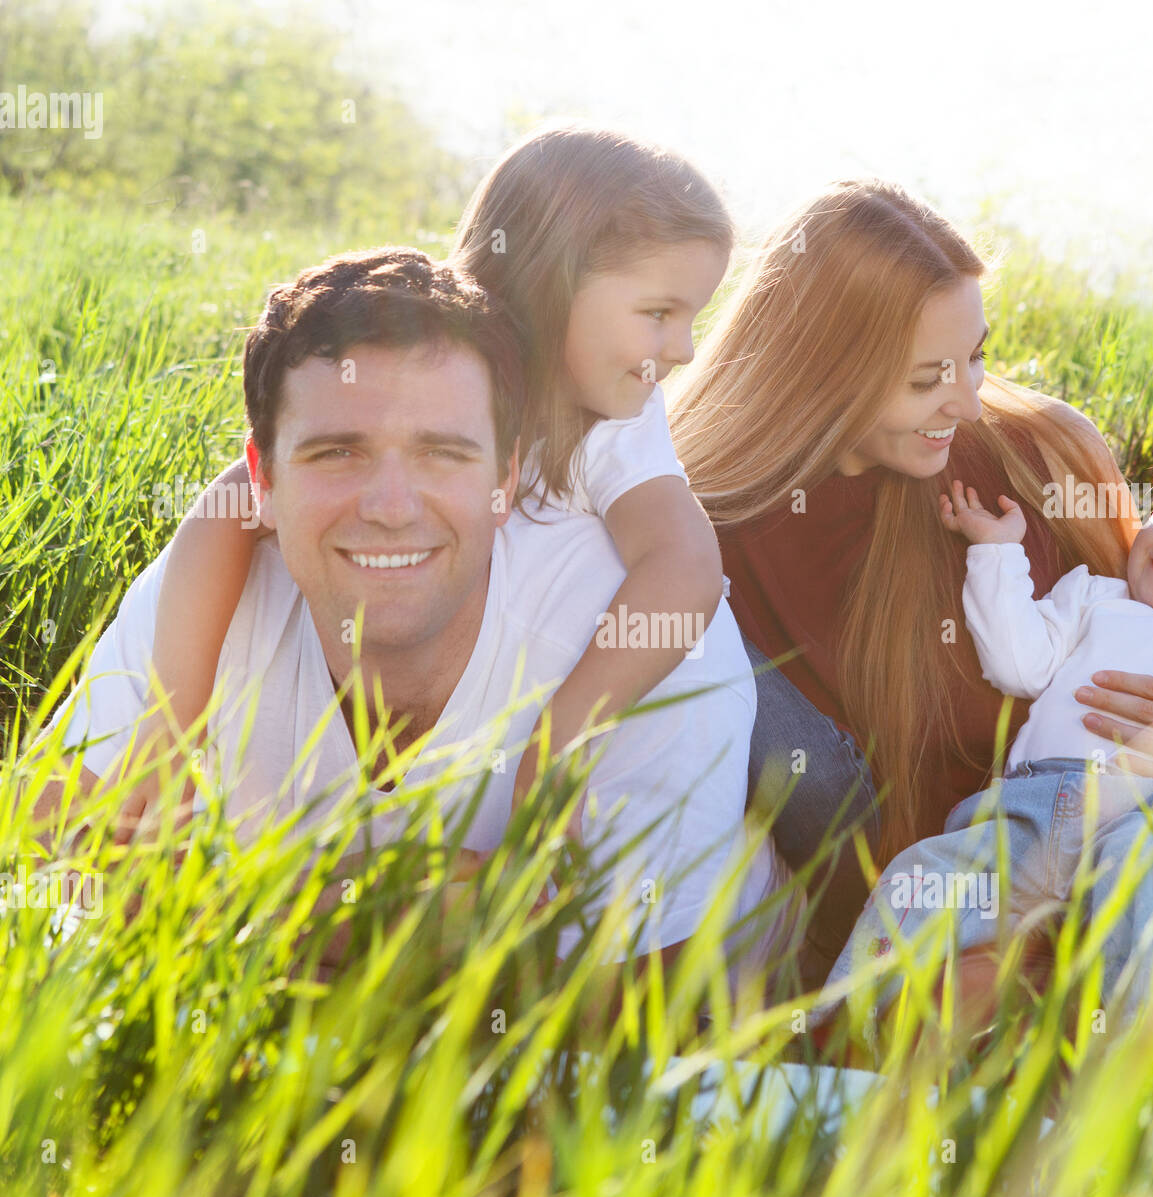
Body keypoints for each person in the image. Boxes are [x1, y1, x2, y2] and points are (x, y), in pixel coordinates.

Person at [35, 247, 781, 967]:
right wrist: (339, 912)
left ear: (507, 475)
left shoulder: (653, 642)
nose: (391, 507)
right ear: (260, 479)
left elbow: (640, 1010)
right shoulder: (202, 602)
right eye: (337, 452)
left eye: (442, 453)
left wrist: (247, 914)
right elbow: (46, 858)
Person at [670, 180, 1153, 1006]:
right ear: (826, 368)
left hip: (1147, 853)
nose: (968, 402)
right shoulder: (701, 524)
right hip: (950, 877)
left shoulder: (1037, 454)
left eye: (977, 356)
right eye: (929, 378)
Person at [140, 125, 730, 833]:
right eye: (659, 313)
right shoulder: (442, 362)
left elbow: (687, 568)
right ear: (555, 278)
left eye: (690, 316)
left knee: (806, 775)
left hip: (719, 670)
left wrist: (560, 738)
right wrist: (172, 720)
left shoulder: (620, 426)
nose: (686, 348)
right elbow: (235, 501)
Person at [822, 430, 1153, 1027]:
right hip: (1029, 810)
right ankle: (840, 1035)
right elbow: (1017, 663)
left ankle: (1139, 1063)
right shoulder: (1097, 597)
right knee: (920, 878)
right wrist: (996, 553)